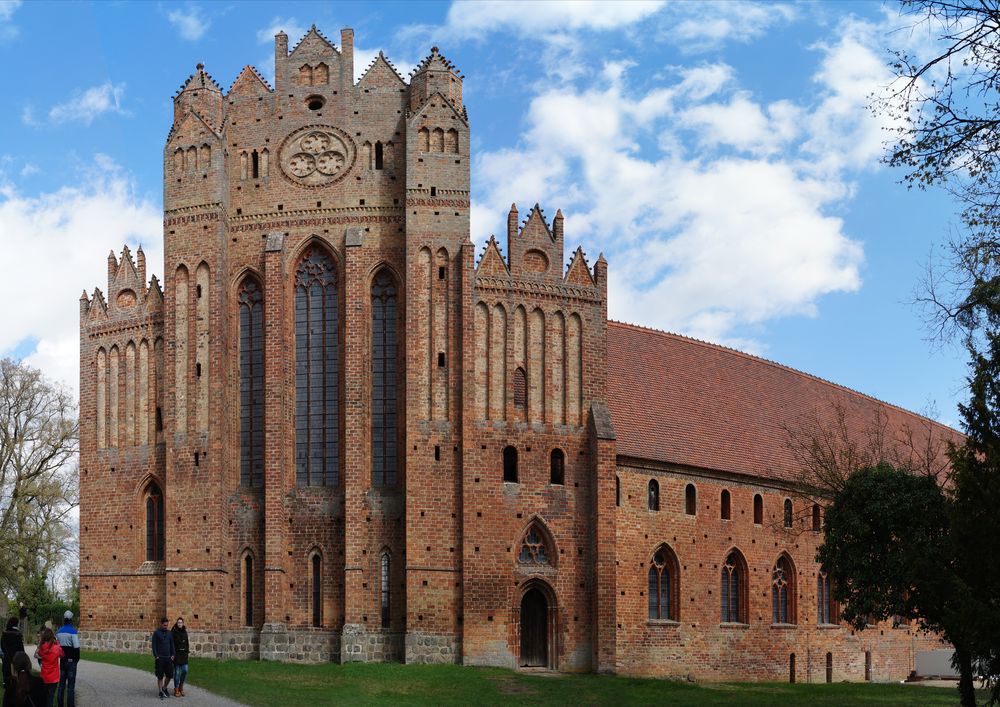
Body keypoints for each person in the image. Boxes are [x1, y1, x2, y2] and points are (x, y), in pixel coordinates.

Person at [55, 611, 79, 707]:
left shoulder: (59, 632)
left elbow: (57, 646)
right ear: (71, 620)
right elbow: (76, 647)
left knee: (61, 685)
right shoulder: (73, 631)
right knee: (70, 686)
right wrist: (76, 660)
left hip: (62, 661)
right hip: (71, 661)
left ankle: (60, 704)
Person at [33, 628, 62, 707]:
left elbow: (38, 654)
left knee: (44, 696)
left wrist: (40, 643)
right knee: (51, 696)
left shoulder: (42, 647)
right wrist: (56, 642)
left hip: (44, 675)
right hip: (54, 676)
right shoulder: (56, 648)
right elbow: (62, 654)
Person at [151, 617, 174, 699]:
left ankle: (164, 688)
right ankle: (160, 691)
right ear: (161, 624)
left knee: (170, 675)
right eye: (164, 625)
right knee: (160, 676)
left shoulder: (169, 633)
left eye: (167, 625)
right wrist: (156, 656)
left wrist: (173, 654)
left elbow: (172, 644)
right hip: (160, 658)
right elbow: (154, 645)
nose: (166, 626)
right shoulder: (156, 633)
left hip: (168, 658)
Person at [2, 617, 26, 692]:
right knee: (16, 686)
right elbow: (21, 650)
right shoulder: (18, 635)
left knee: (7, 686)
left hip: (6, 661)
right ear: (16, 624)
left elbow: (2, 648)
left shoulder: (4, 634)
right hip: (16, 662)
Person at [170, 617, 189, 698]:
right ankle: (176, 689)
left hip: (184, 655)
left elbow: (187, 643)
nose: (180, 624)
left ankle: (181, 686)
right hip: (177, 655)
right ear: (177, 623)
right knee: (177, 673)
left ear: (183, 623)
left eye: (181, 622)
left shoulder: (185, 632)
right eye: (178, 622)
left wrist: (187, 651)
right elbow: (171, 643)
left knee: (185, 670)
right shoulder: (174, 632)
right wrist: (172, 654)